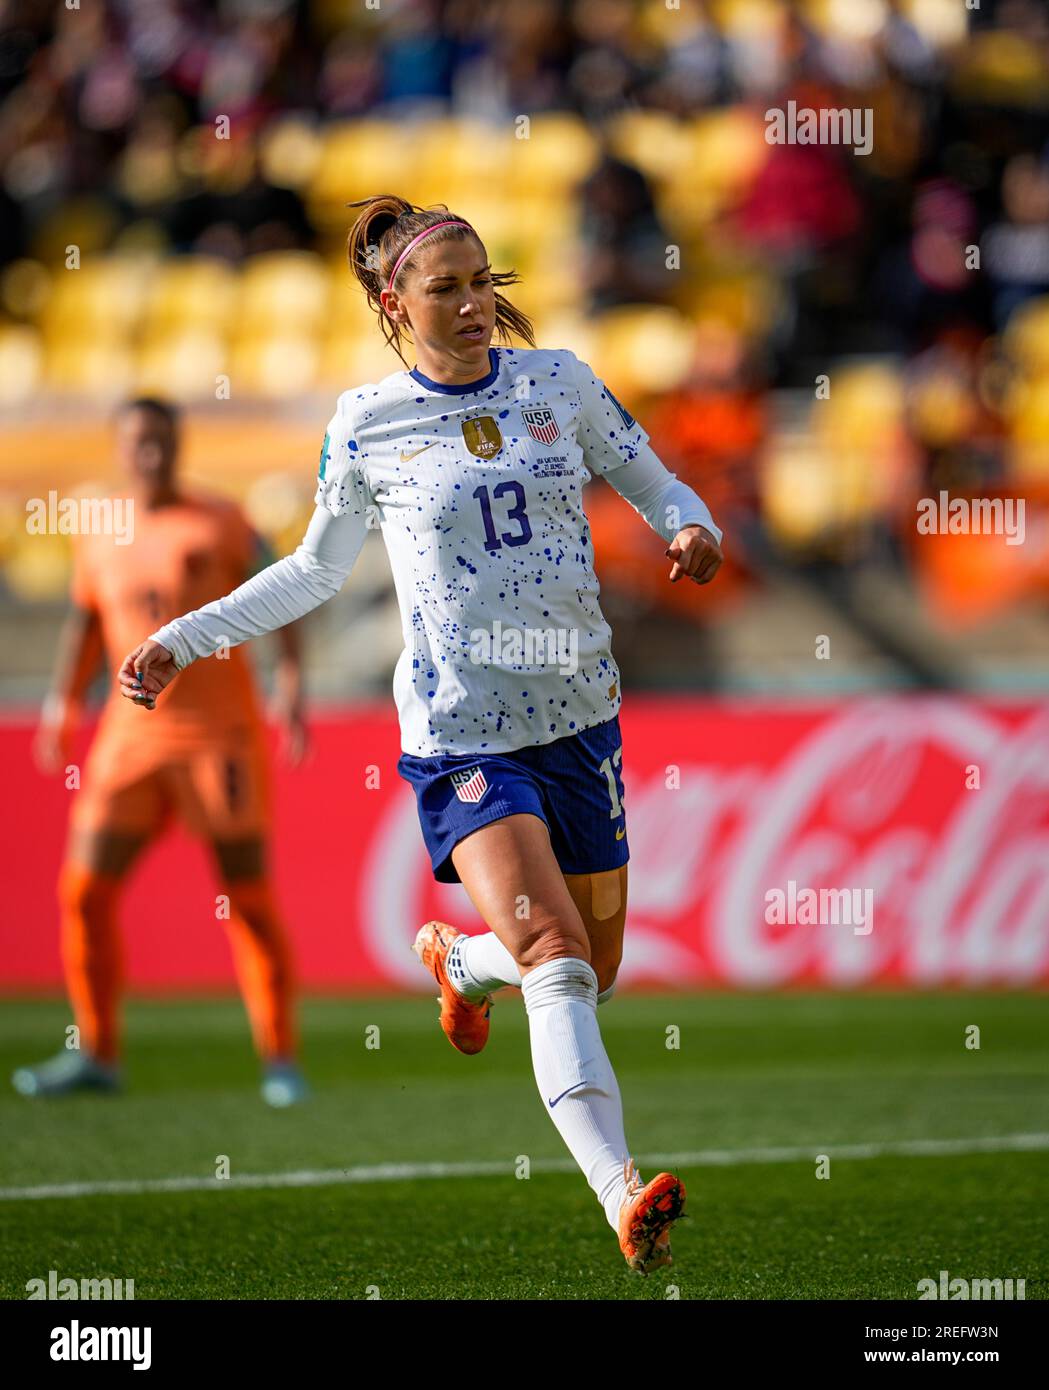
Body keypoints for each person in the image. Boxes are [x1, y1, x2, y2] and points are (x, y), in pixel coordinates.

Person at [116, 198, 724, 1273]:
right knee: (556, 952)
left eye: (482, 279)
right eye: (444, 287)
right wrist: (183, 638)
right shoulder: (366, 422)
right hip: (461, 729)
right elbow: (312, 569)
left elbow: (649, 475)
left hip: (578, 713)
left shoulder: (560, 384)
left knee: (594, 961)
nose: (472, 301)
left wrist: (690, 525)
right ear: (394, 304)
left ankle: (459, 963)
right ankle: (619, 1189)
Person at [16, 397, 308, 1108]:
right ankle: (97, 1053)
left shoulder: (224, 520)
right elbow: (87, 619)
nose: (152, 453)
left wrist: (291, 681)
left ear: (178, 445)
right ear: (120, 448)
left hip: (220, 739)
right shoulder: (99, 529)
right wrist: (62, 704)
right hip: (129, 739)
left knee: (246, 896)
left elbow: (285, 592)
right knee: (83, 891)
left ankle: (278, 1058)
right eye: (139, 441)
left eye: (163, 440)